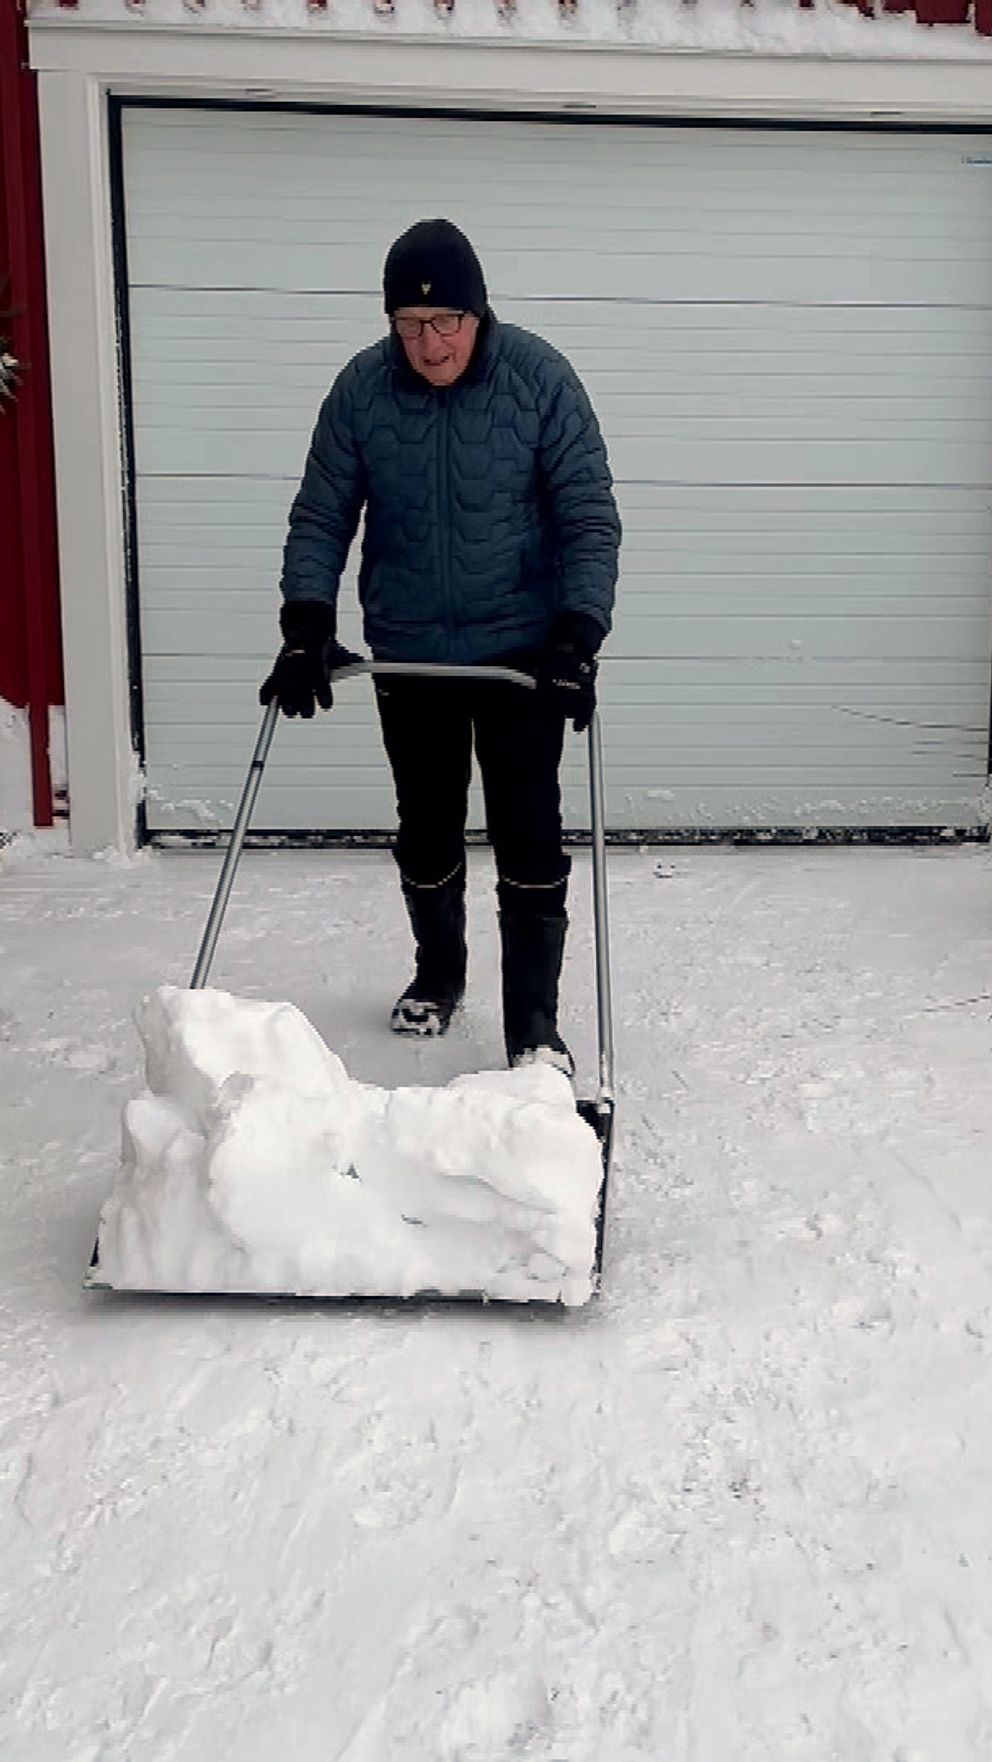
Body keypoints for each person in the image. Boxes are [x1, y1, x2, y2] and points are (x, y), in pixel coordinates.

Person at [261, 218, 620, 1076]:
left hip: (519, 653)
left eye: (445, 322)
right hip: (412, 649)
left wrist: (578, 631)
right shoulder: (362, 390)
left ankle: (534, 1021)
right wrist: (306, 621)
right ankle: (438, 974)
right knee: (426, 827)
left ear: (479, 313)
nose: (428, 343)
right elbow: (322, 512)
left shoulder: (539, 379)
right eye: (409, 326)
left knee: (529, 832)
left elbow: (587, 515)